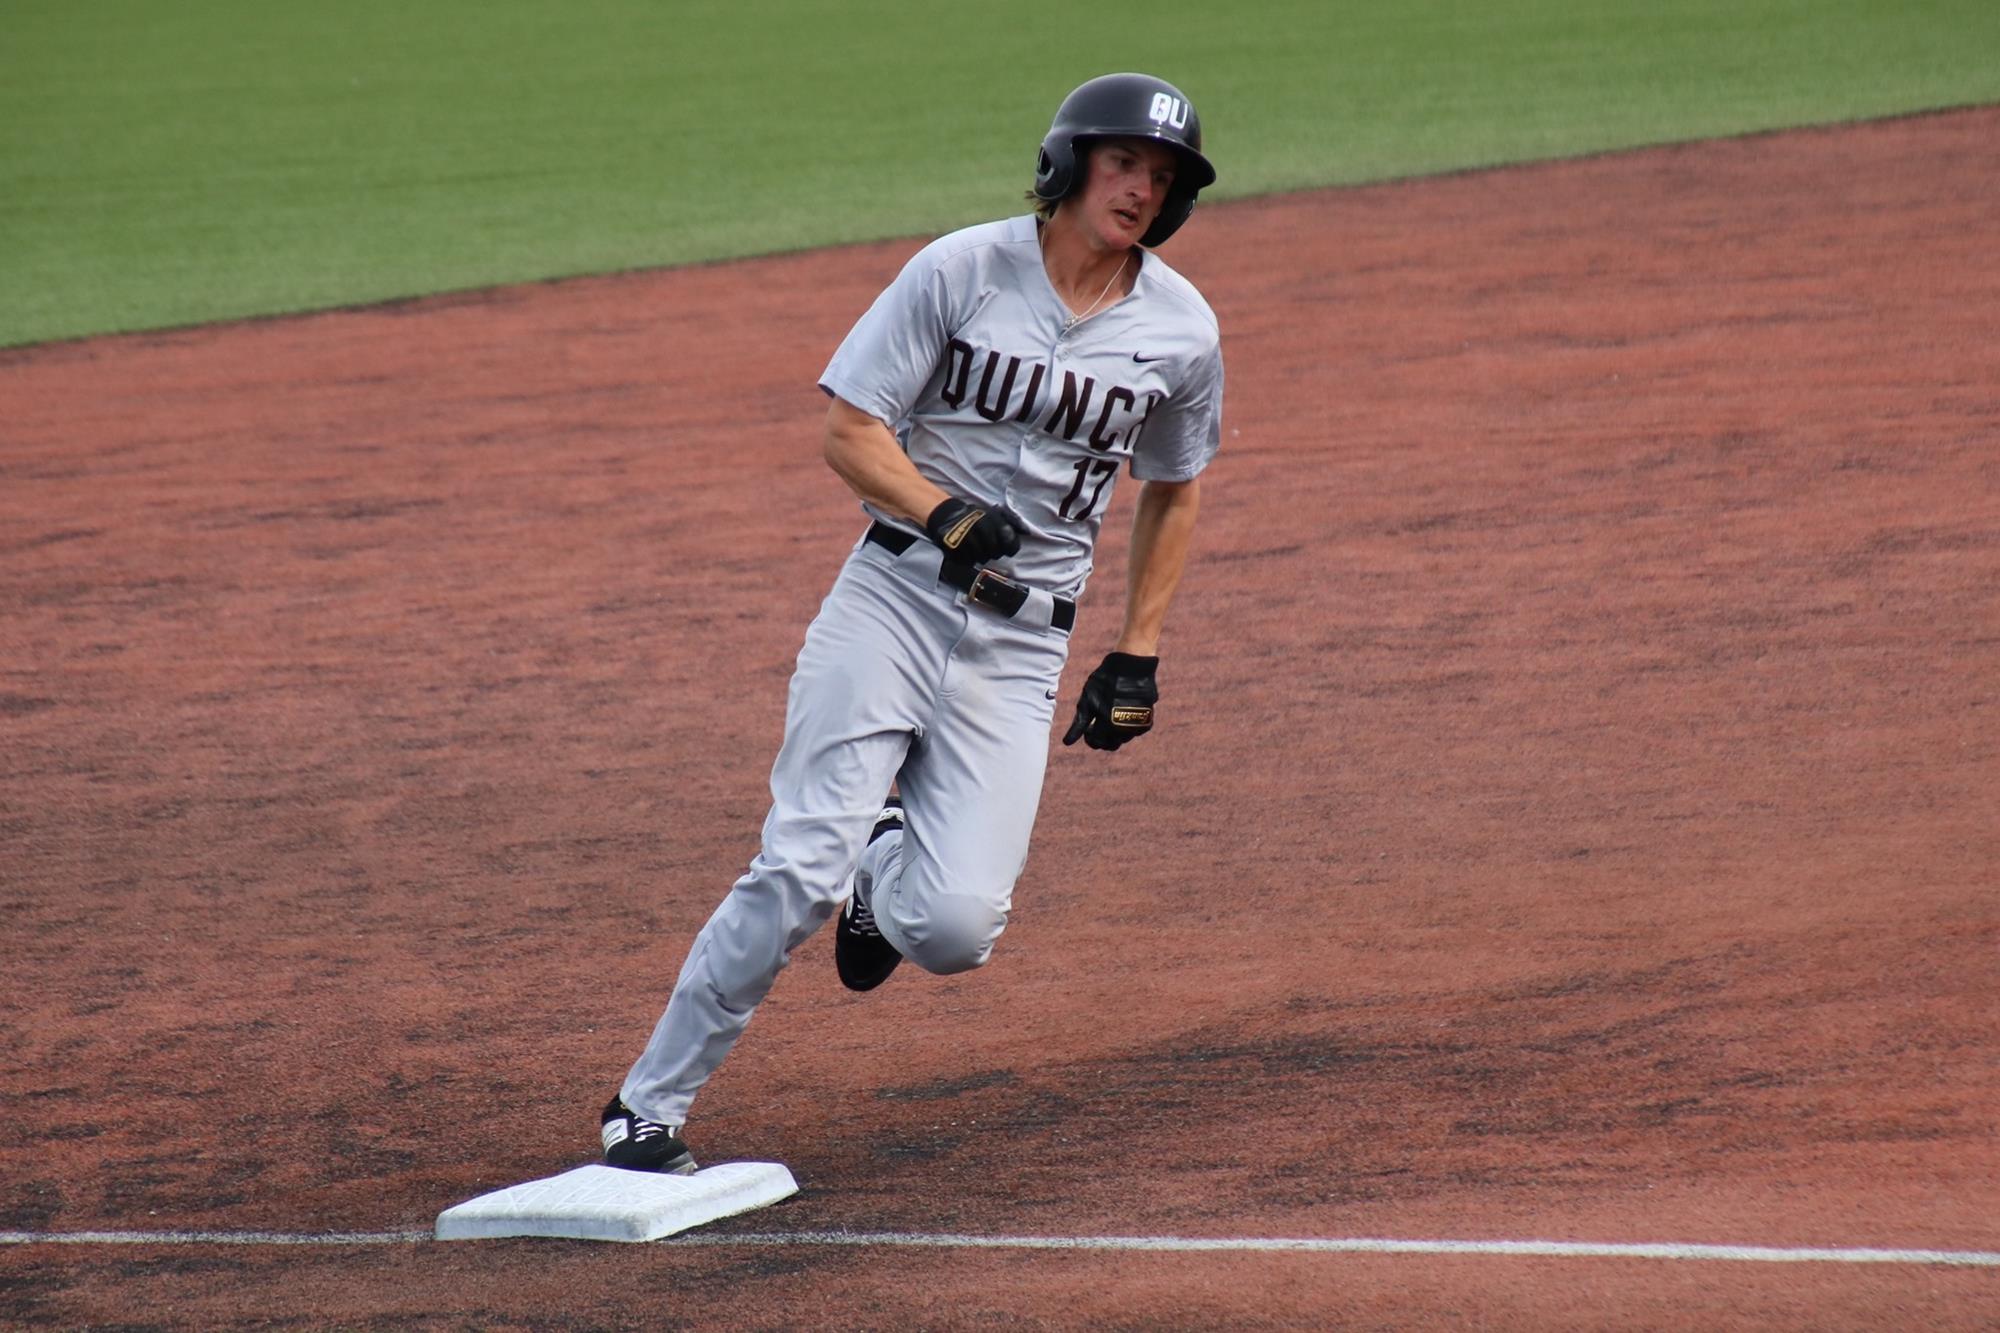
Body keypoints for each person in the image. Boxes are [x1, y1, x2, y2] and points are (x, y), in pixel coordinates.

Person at [599, 72, 1225, 1173]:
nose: (1139, 190)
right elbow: (851, 428)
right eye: (1124, 163)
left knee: (952, 930)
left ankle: (882, 866)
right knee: (797, 864)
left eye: (1162, 178)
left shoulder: (1180, 329)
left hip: (1022, 642)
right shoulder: (959, 270)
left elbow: (1173, 485)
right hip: (892, 596)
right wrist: (938, 509)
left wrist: (1139, 650)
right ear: (1071, 161)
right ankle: (648, 1103)